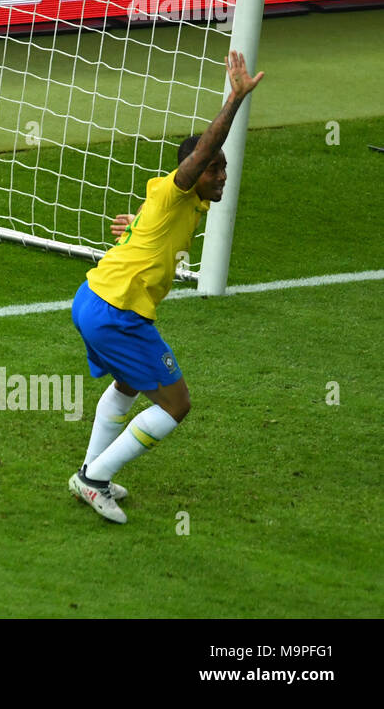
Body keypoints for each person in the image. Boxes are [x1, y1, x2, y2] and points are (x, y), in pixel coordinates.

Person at [67, 51, 264, 524]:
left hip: (94, 301)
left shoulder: (182, 205)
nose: (221, 174)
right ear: (194, 173)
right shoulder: (178, 189)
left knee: (128, 382)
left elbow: (152, 228)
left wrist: (134, 227)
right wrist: (234, 100)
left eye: (223, 167)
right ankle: (95, 480)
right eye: (214, 168)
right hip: (118, 313)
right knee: (178, 404)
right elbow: (198, 157)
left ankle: (89, 471)